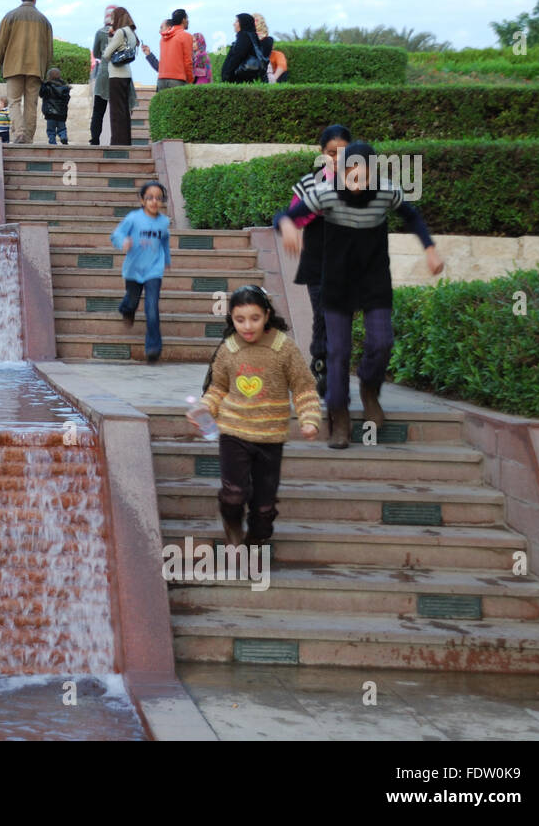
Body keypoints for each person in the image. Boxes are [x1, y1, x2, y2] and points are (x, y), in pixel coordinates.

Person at [274, 142, 446, 448]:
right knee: (337, 352)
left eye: (362, 172)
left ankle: (369, 387)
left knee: (382, 342)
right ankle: (338, 416)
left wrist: (430, 249)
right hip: (337, 281)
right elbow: (287, 215)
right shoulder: (326, 193)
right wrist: (287, 226)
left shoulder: (386, 192)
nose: (356, 179)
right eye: (350, 171)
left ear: (372, 172)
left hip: (373, 279)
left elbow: (412, 217)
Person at [187, 286, 321, 546]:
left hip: (271, 438)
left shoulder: (284, 348)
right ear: (231, 319)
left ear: (267, 315)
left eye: (255, 318)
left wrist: (309, 419)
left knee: (264, 508)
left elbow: (304, 387)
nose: (247, 326)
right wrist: (205, 407)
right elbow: (217, 388)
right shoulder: (228, 349)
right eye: (240, 320)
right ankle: (232, 520)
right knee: (234, 494)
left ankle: (255, 542)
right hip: (233, 434)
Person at [284, 124, 352, 398]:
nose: (337, 158)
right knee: (323, 313)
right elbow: (295, 216)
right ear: (322, 154)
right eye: (331, 153)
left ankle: (333, 370)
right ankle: (322, 363)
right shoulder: (310, 182)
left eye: (343, 153)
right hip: (317, 260)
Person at [110, 180, 171, 363]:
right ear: (142, 200)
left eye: (158, 198)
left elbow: (164, 241)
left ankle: (153, 348)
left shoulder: (163, 222)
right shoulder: (133, 218)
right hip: (134, 269)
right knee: (132, 301)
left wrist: (166, 259)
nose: (154, 202)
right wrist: (124, 242)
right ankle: (126, 309)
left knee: (152, 307)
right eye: (150, 198)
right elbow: (116, 234)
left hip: (154, 269)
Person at [0, 0, 53, 144]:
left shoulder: (9, 17)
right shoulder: (44, 21)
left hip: (13, 67)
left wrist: (2, 64)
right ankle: (28, 138)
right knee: (31, 104)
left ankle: (19, 133)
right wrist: (43, 69)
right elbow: (49, 51)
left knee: (13, 102)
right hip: (35, 69)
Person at [101, 6, 138, 145]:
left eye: (113, 17)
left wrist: (111, 36)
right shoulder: (131, 32)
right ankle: (125, 140)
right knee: (124, 109)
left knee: (116, 110)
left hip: (116, 75)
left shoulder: (120, 32)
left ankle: (117, 141)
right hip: (127, 74)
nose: (111, 20)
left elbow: (106, 54)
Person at [89, 5, 116, 145]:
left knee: (98, 111)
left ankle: (94, 139)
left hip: (103, 73)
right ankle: (118, 139)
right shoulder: (122, 32)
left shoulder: (100, 33)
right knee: (118, 110)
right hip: (119, 74)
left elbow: (97, 53)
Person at [220, 13, 268, 83]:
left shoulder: (244, 36)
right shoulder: (252, 36)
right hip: (248, 79)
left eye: (237, 21)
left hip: (239, 79)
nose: (234, 24)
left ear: (243, 23)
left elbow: (237, 56)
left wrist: (227, 74)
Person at [156, 8, 194, 90]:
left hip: (161, 79)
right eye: (187, 19)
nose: (188, 21)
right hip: (177, 80)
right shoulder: (186, 36)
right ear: (183, 20)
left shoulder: (163, 38)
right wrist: (191, 81)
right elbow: (188, 62)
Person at [39, 68, 71, 145]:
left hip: (50, 113)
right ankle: (63, 136)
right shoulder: (65, 88)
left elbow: (41, 94)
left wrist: (42, 84)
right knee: (62, 128)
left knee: (51, 130)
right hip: (62, 113)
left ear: (48, 76)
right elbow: (67, 99)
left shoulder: (47, 86)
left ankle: (52, 142)